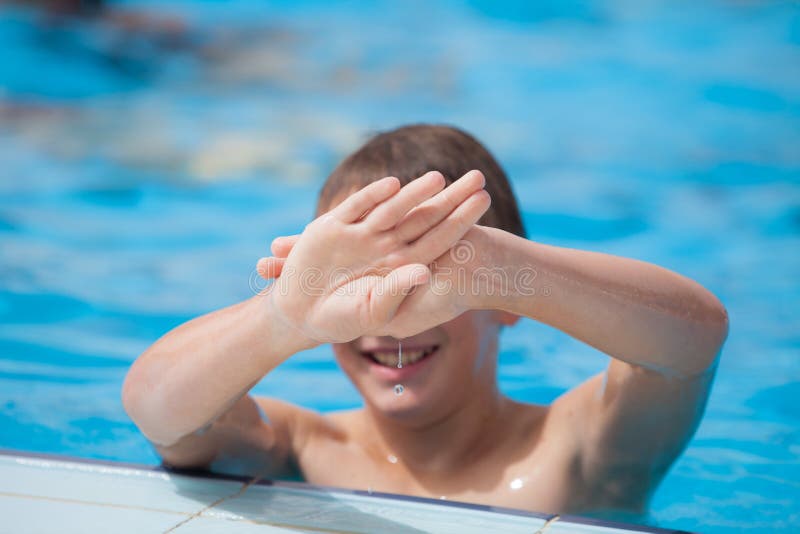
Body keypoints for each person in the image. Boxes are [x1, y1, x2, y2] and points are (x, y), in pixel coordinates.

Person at [122, 124, 728, 516]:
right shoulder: (297, 449)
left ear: (509, 310)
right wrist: (286, 314)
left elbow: (692, 342)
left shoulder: (578, 450)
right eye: (359, 282)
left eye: (434, 275)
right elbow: (158, 410)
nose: (391, 317)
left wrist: (499, 270)